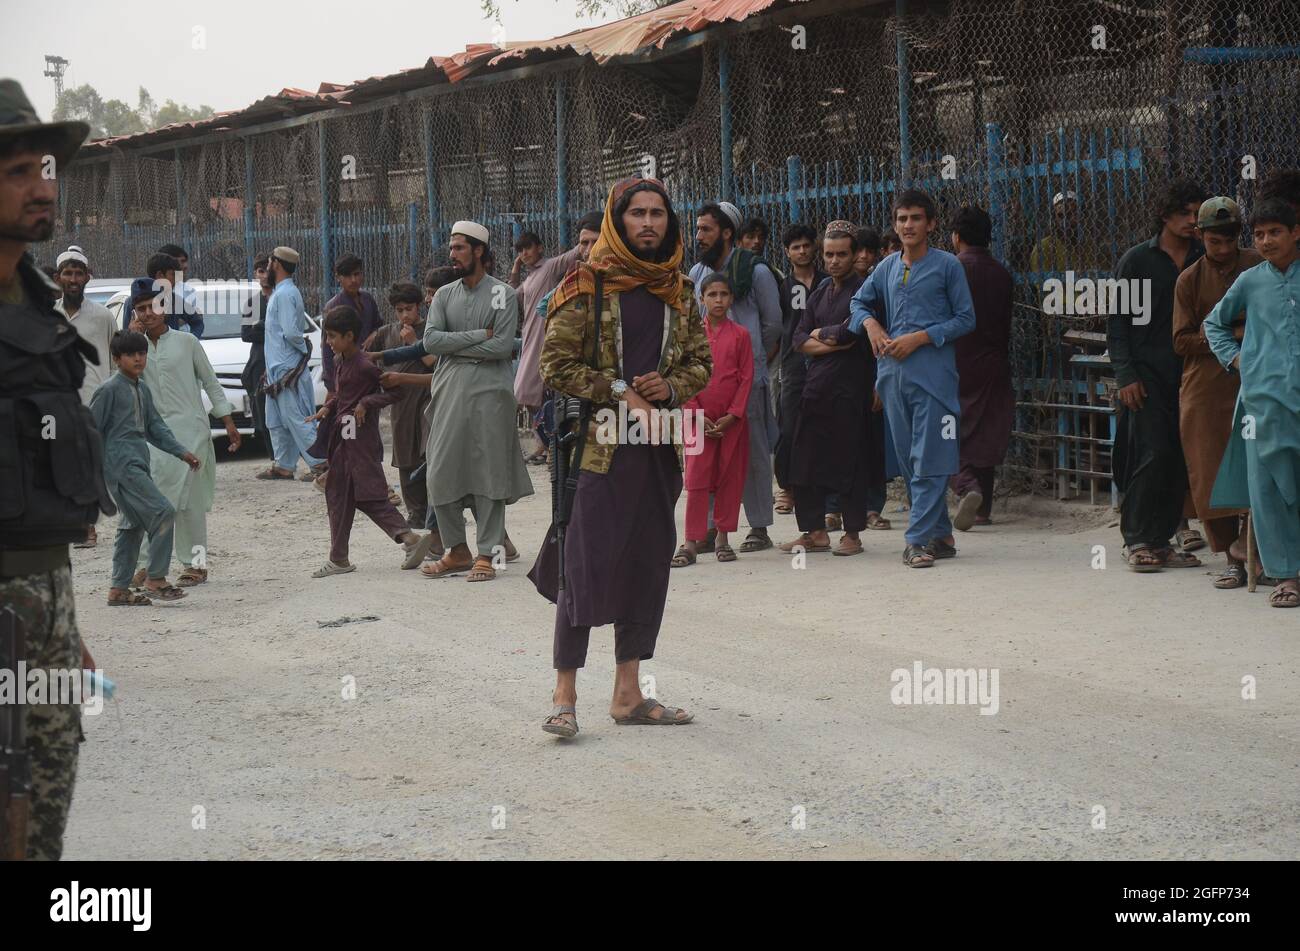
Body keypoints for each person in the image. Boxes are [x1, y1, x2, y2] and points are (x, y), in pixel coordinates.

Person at [530, 176, 712, 737]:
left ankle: (629, 694)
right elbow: (554, 366)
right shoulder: (586, 285)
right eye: (638, 213)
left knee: (644, 563)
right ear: (618, 219)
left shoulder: (679, 290)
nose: (650, 223)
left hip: (655, 449)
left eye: (659, 213)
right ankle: (565, 696)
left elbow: (700, 361)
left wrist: (670, 387)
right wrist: (619, 391)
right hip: (597, 451)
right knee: (582, 566)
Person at [0, 78, 114, 860]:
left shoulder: (39, 300)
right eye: (18, 173)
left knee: (41, 819)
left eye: (46, 167)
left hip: (43, 600)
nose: (44, 186)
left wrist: (64, 631)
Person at [839, 189, 976, 568]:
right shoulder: (885, 268)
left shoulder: (948, 266)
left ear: (931, 224)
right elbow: (858, 303)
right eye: (902, 219)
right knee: (909, 460)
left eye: (916, 218)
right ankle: (941, 534)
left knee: (929, 457)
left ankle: (915, 541)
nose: (908, 225)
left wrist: (921, 337)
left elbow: (966, 319)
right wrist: (871, 327)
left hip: (934, 376)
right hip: (892, 378)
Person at [418, 221, 534, 582]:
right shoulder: (444, 295)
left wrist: (457, 343)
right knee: (439, 474)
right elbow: (431, 342)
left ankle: (490, 554)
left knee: (489, 474)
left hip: (490, 394)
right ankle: (457, 551)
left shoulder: (501, 293)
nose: (452, 255)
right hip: (450, 392)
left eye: (459, 248)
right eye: (451, 248)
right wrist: (475, 337)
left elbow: (502, 346)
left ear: (479, 250)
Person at [1108, 179, 1207, 571]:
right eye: (1184, 213)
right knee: (1151, 454)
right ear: (1165, 216)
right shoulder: (1137, 261)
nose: (1192, 220)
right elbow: (1117, 324)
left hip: (1192, 373)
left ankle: (1163, 540)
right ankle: (1136, 540)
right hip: (1146, 375)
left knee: (1179, 457)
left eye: (1197, 213)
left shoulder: (1204, 256)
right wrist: (1126, 374)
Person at [1204, 198, 1300, 607]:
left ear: (1296, 233)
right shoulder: (1250, 281)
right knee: (1269, 490)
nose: (1265, 241)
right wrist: (1237, 358)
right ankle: (1287, 577)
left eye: (1274, 232)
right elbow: (1214, 323)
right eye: (1259, 234)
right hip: (1261, 403)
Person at [305, 306, 435, 578]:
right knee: (344, 494)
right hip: (345, 437)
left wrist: (367, 402)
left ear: (349, 335)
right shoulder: (342, 361)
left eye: (332, 336)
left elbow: (395, 392)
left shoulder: (365, 365)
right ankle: (351, 554)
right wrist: (327, 408)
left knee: (357, 494)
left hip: (358, 440)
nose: (328, 342)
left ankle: (400, 541)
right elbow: (343, 396)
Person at [128, 277, 241, 587]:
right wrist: (129, 339)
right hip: (153, 436)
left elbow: (210, 382)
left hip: (190, 431)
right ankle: (148, 565)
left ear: (163, 306)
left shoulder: (186, 342)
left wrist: (227, 420)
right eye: (140, 309)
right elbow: (120, 381)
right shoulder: (132, 348)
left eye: (151, 306)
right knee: (153, 500)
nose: (147, 314)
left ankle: (196, 565)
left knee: (189, 502)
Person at [1171, 197, 1260, 588]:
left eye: (1229, 241)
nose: (1222, 250)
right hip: (1206, 386)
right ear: (1200, 237)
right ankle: (1230, 559)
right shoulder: (1189, 280)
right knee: (1209, 470)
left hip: (1254, 379)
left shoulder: (1258, 266)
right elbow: (1182, 340)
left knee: (1259, 468)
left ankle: (1258, 551)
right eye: (1213, 243)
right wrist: (1234, 334)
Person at [782, 221, 881, 557]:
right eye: (829, 255)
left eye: (841, 254)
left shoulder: (865, 292)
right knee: (804, 461)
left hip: (850, 389)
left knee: (849, 462)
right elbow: (798, 339)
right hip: (815, 389)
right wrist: (830, 342)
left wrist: (822, 338)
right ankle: (815, 531)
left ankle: (852, 533)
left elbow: (851, 334)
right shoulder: (820, 292)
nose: (834, 261)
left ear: (854, 255)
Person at [689, 201, 781, 553]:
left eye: (706, 230)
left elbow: (773, 324)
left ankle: (759, 526)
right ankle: (712, 528)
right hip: (705, 385)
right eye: (697, 229)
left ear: (727, 233)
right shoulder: (698, 274)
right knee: (706, 456)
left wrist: (754, 360)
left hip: (747, 383)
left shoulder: (756, 272)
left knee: (753, 455)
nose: (699, 236)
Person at [90, 330, 200, 604]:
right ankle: (156, 578)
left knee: (132, 525)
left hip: (137, 462)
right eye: (130, 354)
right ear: (117, 359)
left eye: (142, 353)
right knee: (162, 512)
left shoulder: (141, 388)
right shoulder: (108, 390)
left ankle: (118, 589)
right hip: (121, 467)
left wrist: (182, 452)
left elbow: (155, 428)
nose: (138, 359)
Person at [672, 273, 752, 566]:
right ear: (701, 299)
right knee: (696, 480)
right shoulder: (691, 335)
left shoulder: (741, 335)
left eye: (724, 295)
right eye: (712, 295)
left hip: (732, 421)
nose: (719, 300)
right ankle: (691, 542)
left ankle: (723, 538)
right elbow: (682, 377)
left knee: (729, 478)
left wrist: (733, 414)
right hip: (697, 420)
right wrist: (696, 413)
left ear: (731, 299)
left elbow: (746, 378)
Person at [511, 214, 602, 454]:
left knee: (535, 389)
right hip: (530, 335)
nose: (525, 253)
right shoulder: (531, 276)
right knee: (526, 391)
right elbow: (513, 296)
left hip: (546, 336)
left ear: (539, 248)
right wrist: (516, 269)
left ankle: (547, 442)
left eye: (528, 248)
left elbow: (578, 252)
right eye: (520, 250)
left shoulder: (551, 267)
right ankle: (546, 439)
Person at [949, 205, 1014, 530]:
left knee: (945, 429)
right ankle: (983, 508)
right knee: (985, 432)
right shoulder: (1001, 273)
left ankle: (966, 487)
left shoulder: (950, 269)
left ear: (956, 237)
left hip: (955, 361)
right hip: (992, 363)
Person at [53, 246, 117, 547]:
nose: (74, 279)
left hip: (94, 403)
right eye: (68, 273)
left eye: (79, 273)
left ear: (88, 277)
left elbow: (116, 360)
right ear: (58, 278)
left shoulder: (103, 316)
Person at [369, 282, 435, 532]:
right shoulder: (386, 333)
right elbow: (368, 359)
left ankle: (436, 509)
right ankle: (415, 512)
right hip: (401, 405)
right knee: (406, 458)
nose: (405, 315)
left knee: (429, 455)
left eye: (409, 309)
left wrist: (414, 343)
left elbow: (437, 366)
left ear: (419, 307)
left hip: (428, 400)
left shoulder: (431, 330)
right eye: (399, 310)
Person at [772, 223, 826, 516]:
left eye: (806, 245)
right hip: (793, 364)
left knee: (824, 428)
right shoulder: (783, 288)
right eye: (796, 247)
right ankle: (787, 487)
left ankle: (824, 491)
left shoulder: (828, 283)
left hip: (826, 361)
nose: (802, 251)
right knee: (789, 427)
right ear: (787, 252)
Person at [258, 246, 324, 480]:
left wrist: (303, 348)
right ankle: (284, 464)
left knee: (296, 417)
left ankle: (321, 463)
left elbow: (291, 332)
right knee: (275, 420)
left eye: (269, 261)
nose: (267, 265)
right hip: (276, 367)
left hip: (287, 368)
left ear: (276, 263)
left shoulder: (286, 294)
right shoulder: (280, 292)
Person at [321, 252, 383, 400]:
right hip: (345, 374)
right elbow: (326, 349)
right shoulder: (333, 306)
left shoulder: (368, 300)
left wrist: (374, 334)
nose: (354, 280)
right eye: (348, 276)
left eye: (357, 274)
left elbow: (379, 327)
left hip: (367, 369)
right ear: (338, 278)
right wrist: (331, 385)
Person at [240, 251, 273, 451]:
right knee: (263, 411)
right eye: (259, 271)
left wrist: (261, 327)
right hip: (260, 362)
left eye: (266, 271)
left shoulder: (281, 297)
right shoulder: (252, 303)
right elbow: (246, 334)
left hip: (283, 363)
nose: (263, 275)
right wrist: (267, 329)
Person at [146, 251, 203, 338]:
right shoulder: (134, 301)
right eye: (173, 275)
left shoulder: (175, 300)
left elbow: (197, 322)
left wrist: (191, 343)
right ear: (160, 275)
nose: (176, 280)